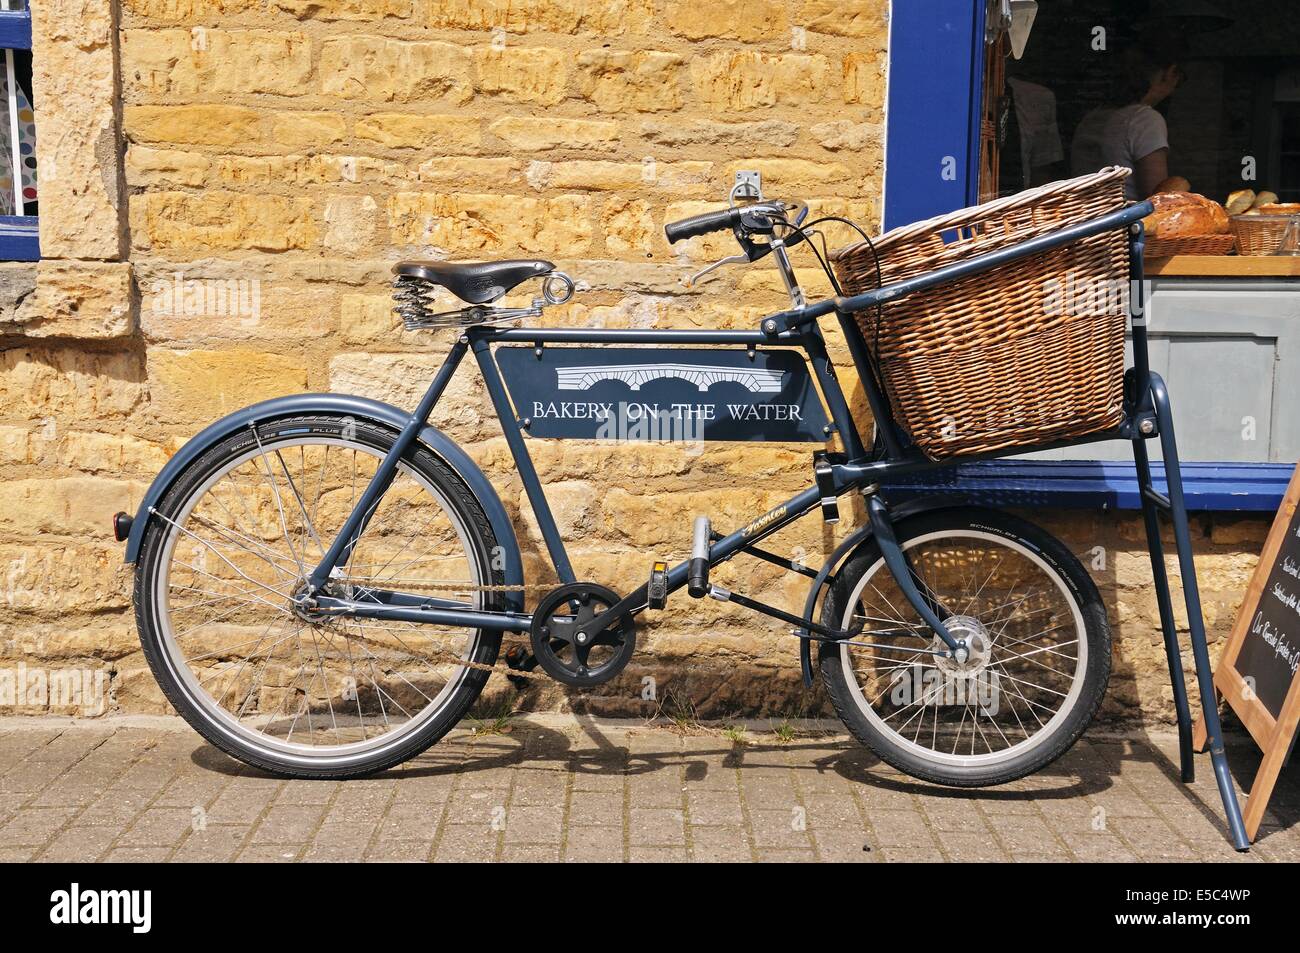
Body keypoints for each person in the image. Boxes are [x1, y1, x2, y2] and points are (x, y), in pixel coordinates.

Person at [1070, 44, 1184, 199]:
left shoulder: (1091, 117)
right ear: (1170, 73)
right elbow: (1157, 198)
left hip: (1087, 218)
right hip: (1127, 220)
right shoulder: (1145, 119)